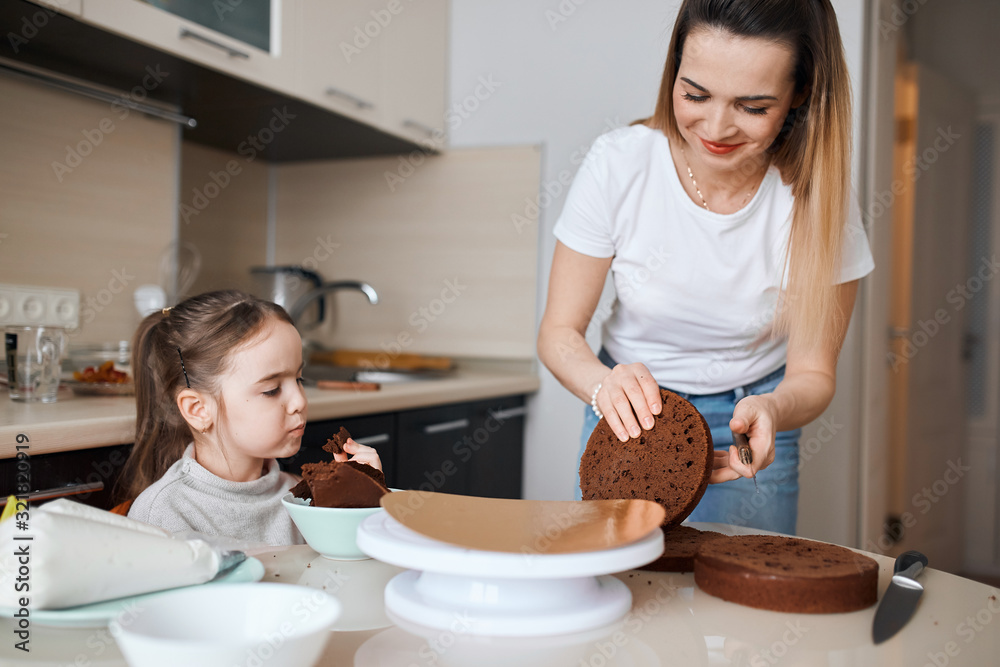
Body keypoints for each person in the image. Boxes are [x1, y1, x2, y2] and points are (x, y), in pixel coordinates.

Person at [537, 0, 874, 535]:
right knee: (615, 594)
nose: (716, 126)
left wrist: (774, 410)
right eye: (694, 94)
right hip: (630, 414)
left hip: (750, 420)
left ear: (800, 94)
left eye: (754, 106)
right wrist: (604, 388)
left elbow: (813, 375)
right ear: (674, 71)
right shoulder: (619, 164)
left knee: (741, 604)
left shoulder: (818, 201)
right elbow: (558, 333)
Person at [124, 290, 382, 546]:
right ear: (198, 409)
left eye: (299, 379)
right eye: (272, 390)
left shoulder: (305, 497)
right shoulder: (161, 516)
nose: (300, 401)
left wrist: (360, 502)